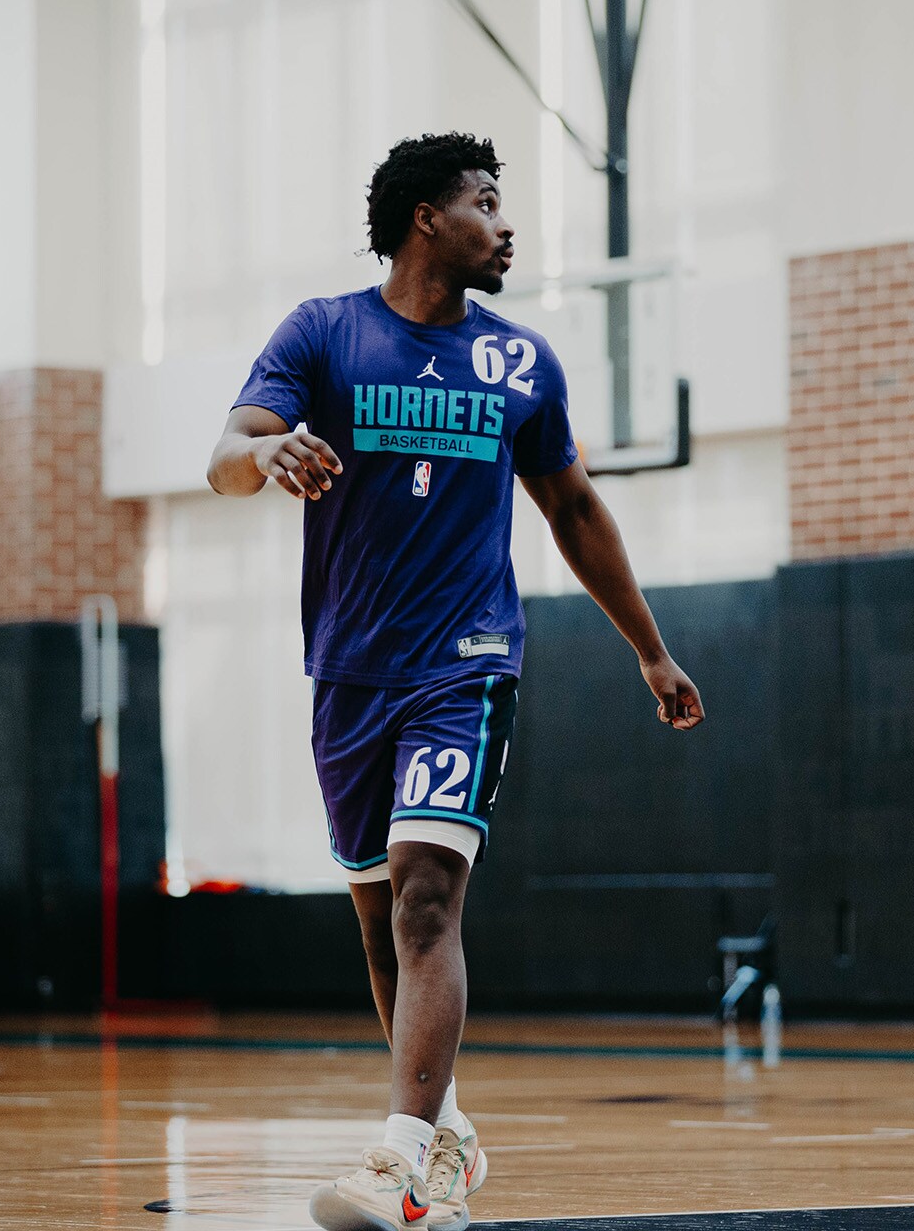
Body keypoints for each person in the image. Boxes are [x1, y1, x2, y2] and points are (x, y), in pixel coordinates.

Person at [206, 133, 705, 1231]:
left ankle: (397, 1164)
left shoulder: (521, 363)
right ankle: (447, 1129)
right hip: (348, 672)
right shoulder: (324, 332)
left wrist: (650, 646)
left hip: (468, 663)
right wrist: (273, 448)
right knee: (385, 920)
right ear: (427, 218)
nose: (506, 222)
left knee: (430, 896)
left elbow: (574, 509)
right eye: (486, 200)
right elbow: (225, 456)